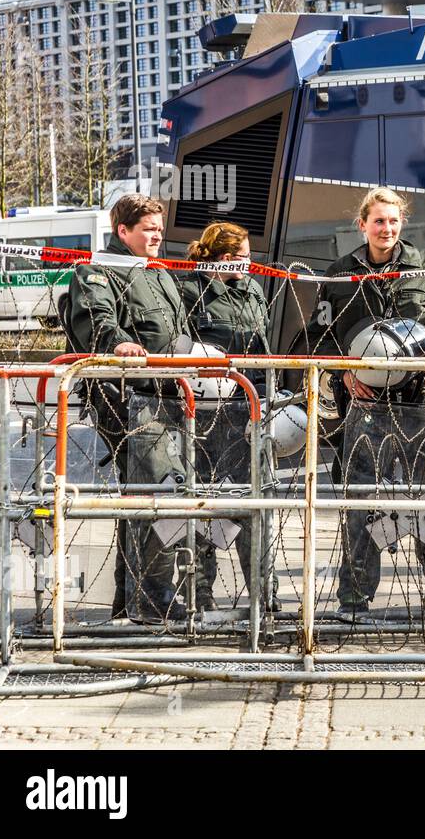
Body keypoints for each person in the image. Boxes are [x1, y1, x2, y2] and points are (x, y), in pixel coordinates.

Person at [314, 187, 425, 619]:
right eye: (377, 221)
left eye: (392, 221)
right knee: (361, 505)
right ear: (363, 224)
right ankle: (354, 599)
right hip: (366, 410)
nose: (385, 228)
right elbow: (321, 337)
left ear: (402, 223)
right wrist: (344, 373)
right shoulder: (339, 274)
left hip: (424, 406)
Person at [65, 194, 193, 623]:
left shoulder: (158, 272)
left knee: (146, 494)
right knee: (156, 492)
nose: (157, 235)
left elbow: (177, 327)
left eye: (159, 228)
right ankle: (152, 597)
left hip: (169, 396)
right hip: (128, 398)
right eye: (148, 229)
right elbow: (96, 318)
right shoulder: (98, 269)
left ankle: (131, 597)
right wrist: (117, 342)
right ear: (123, 231)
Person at [178, 222, 278, 613]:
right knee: (204, 504)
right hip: (205, 413)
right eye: (242, 258)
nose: (249, 265)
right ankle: (199, 595)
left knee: (253, 507)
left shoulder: (252, 289)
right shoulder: (191, 290)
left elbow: (263, 343)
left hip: (248, 410)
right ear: (222, 257)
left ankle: (262, 598)